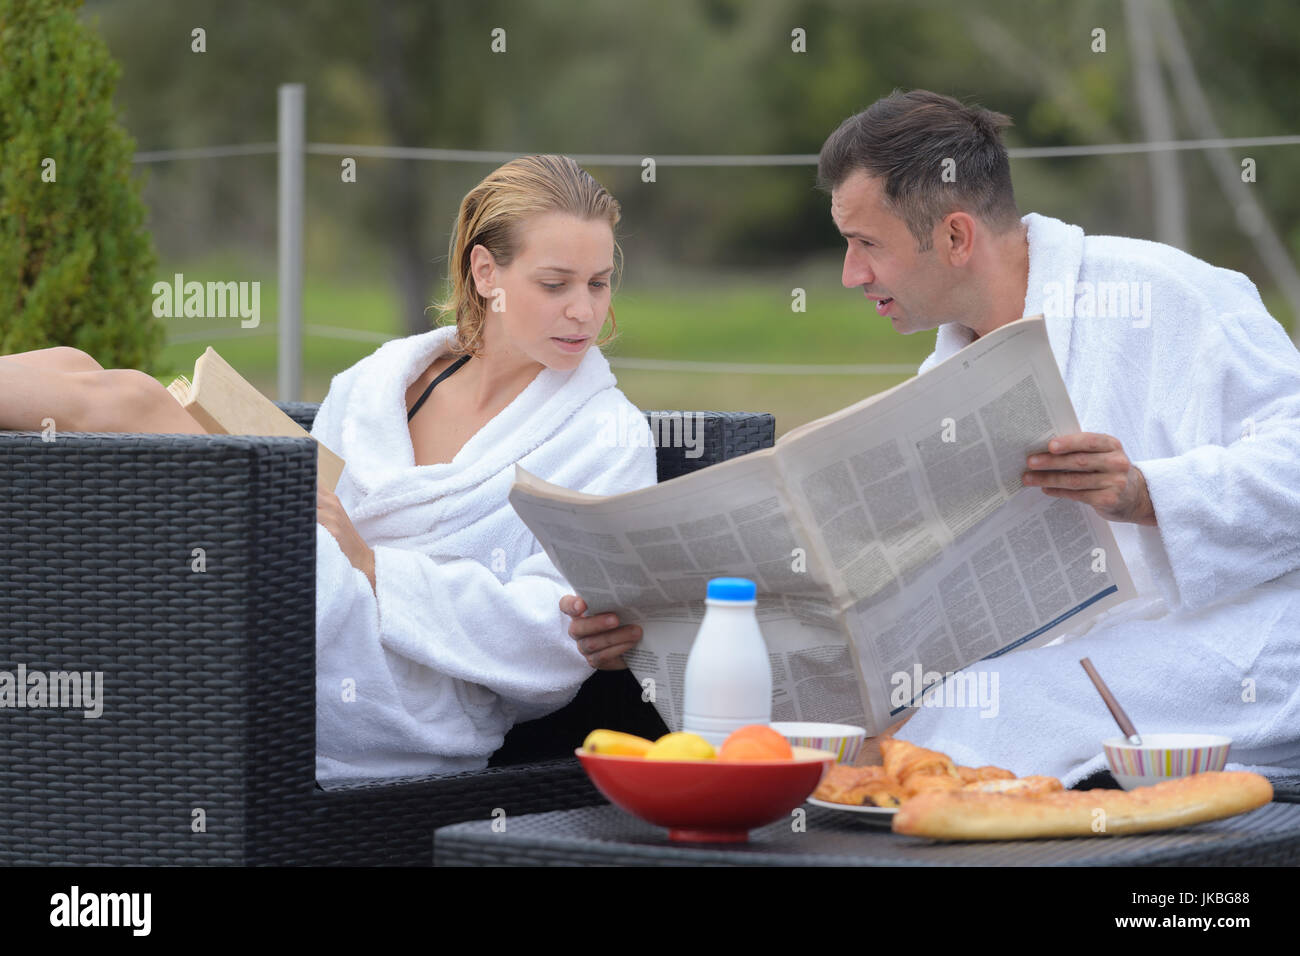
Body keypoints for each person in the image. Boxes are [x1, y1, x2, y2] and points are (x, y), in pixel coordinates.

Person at [562, 90, 1300, 786]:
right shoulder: (947, 378)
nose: (851, 275)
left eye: (864, 244)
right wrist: (658, 619)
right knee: (837, 732)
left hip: (1226, 651)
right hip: (1047, 668)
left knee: (982, 710)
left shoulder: (1164, 296)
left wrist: (1148, 494)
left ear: (954, 236)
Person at [0, 154, 659, 785]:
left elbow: (557, 638)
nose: (584, 309)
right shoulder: (380, 382)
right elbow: (318, 506)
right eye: (556, 284)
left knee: (137, 403)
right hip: (296, 605)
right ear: (486, 273)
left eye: (598, 283)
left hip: (400, 692)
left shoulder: (606, 435)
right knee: (74, 365)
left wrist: (374, 566)